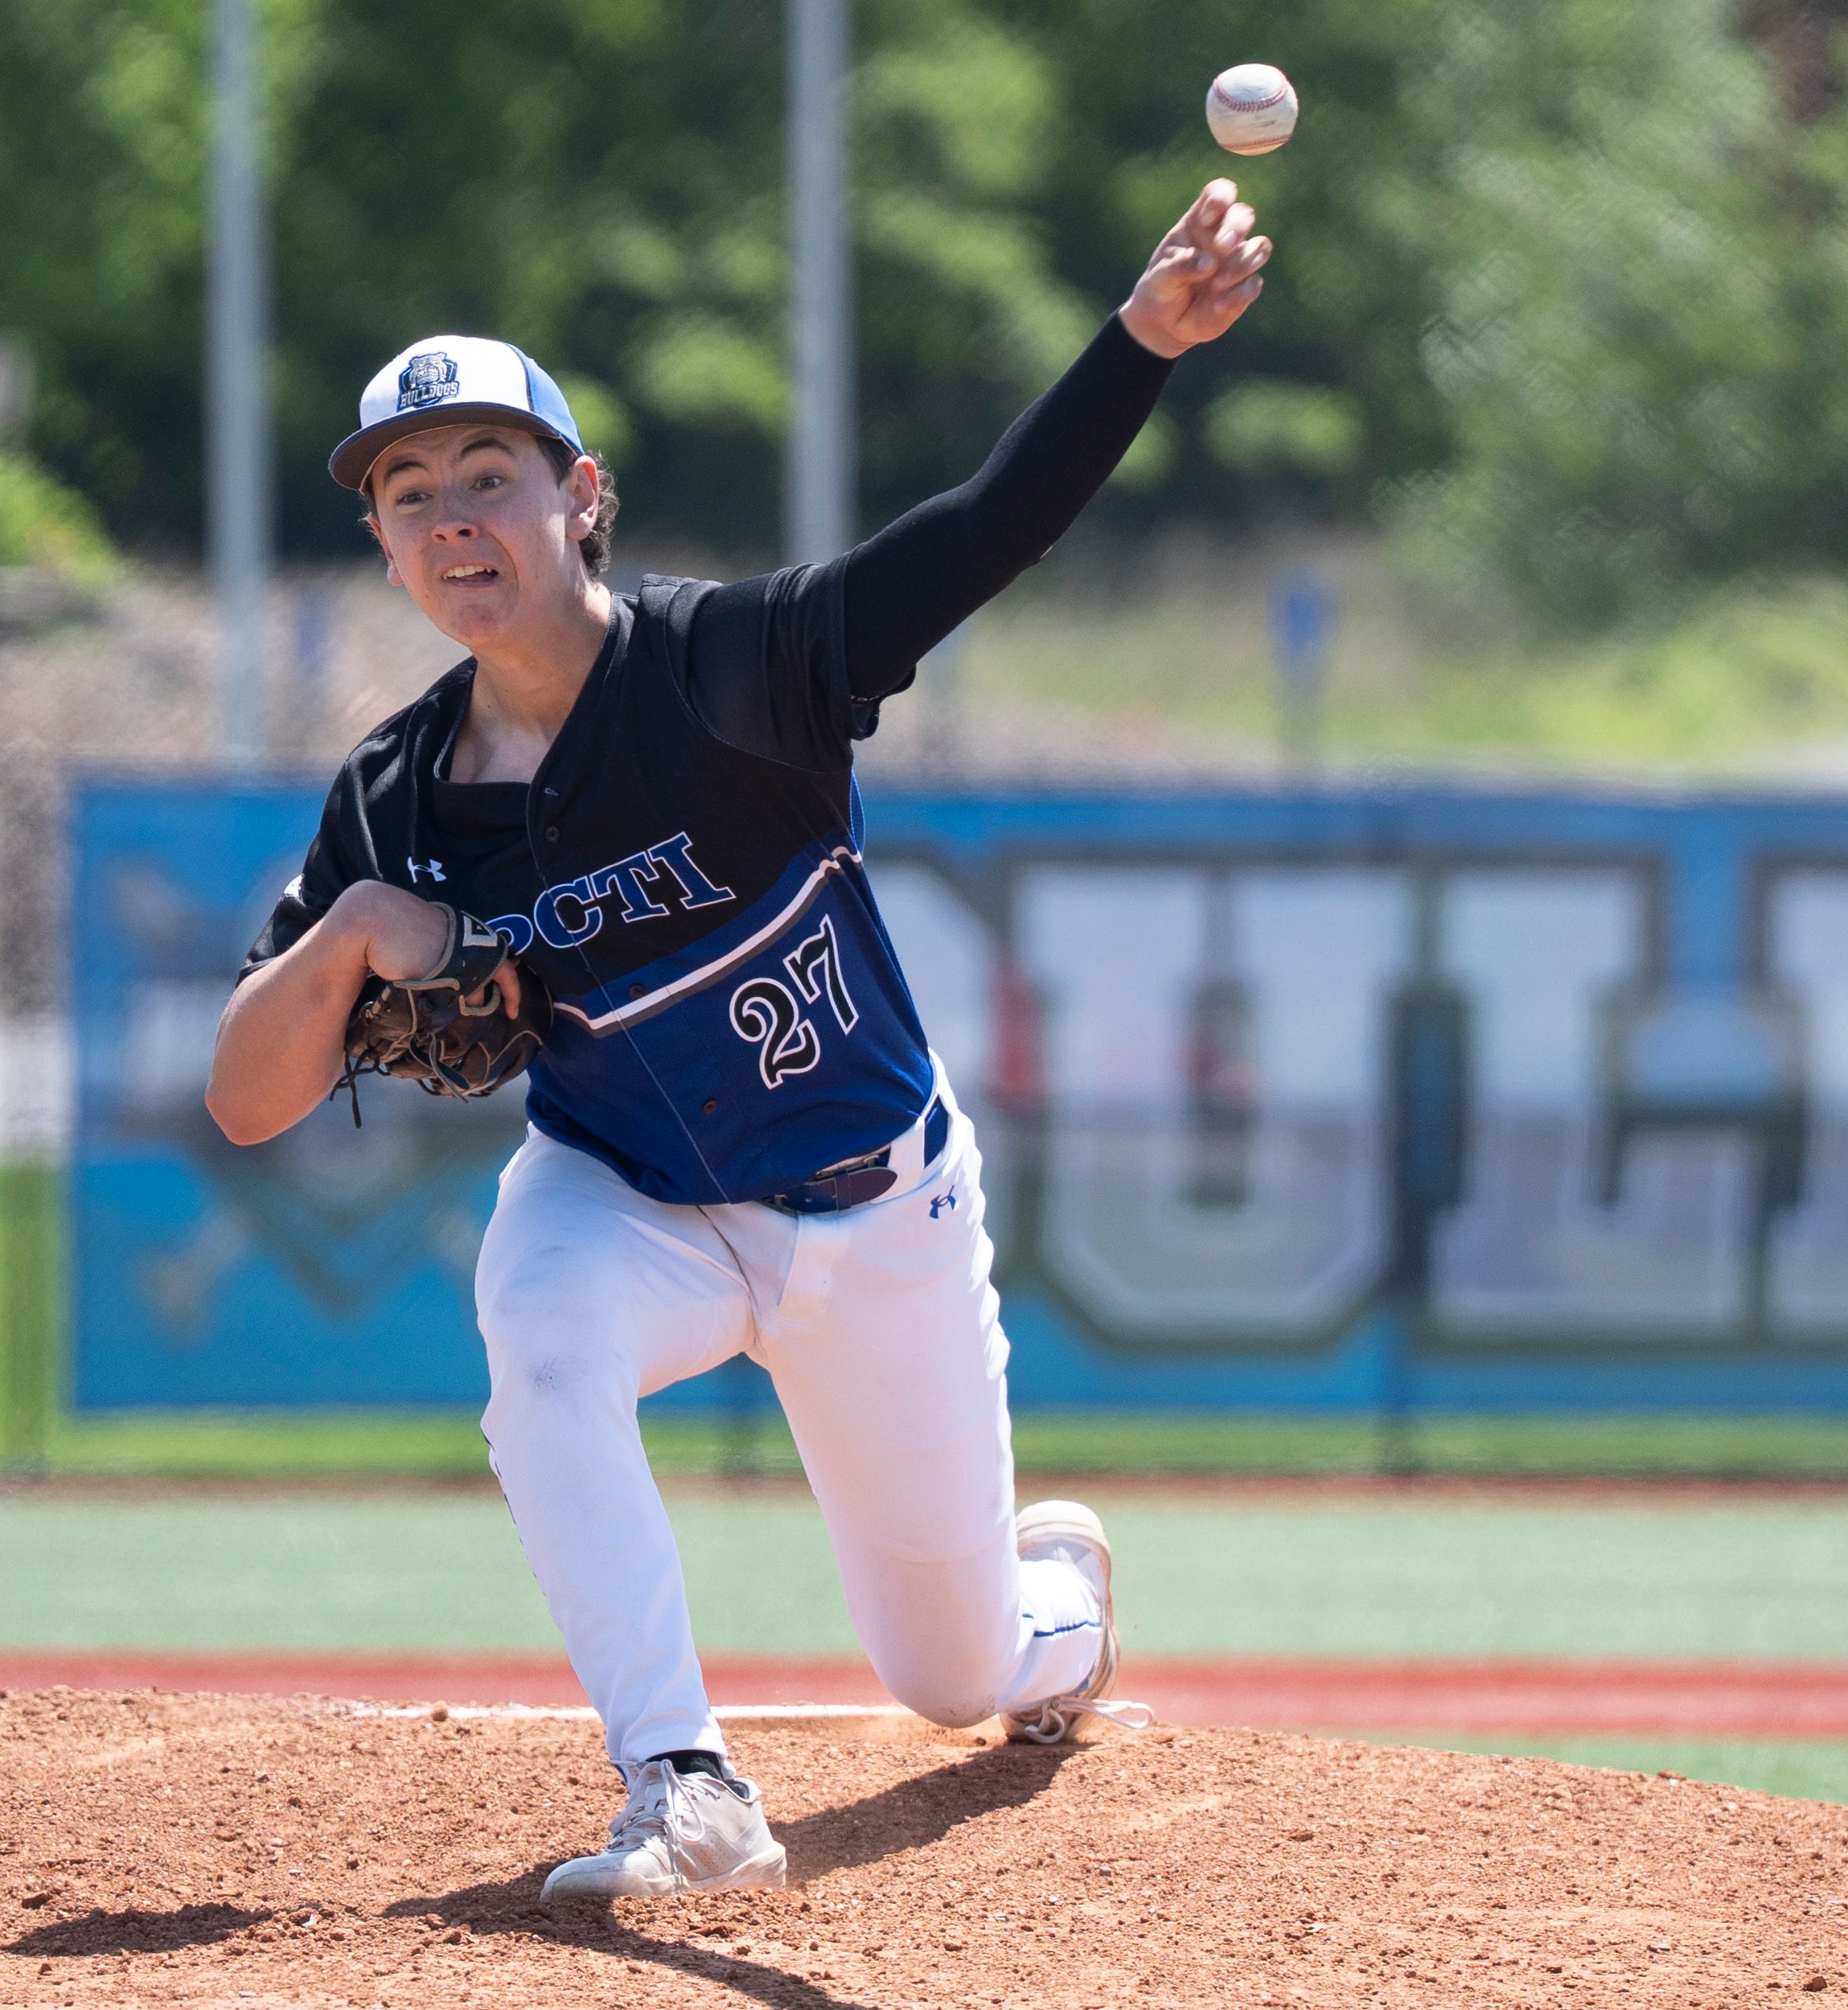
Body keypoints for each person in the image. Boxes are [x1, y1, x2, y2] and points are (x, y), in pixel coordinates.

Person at [205, 178, 1272, 1901]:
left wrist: (1141, 341)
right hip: (625, 1196)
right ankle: (683, 1782)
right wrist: (342, 936)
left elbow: (981, 532)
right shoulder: (393, 797)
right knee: (536, 1341)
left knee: (954, 1672)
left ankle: (1056, 1605)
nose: (452, 518)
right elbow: (248, 1100)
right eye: (410, 495)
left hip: (874, 1214)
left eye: (490, 475)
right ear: (386, 547)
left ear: (581, 496)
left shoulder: (736, 668)